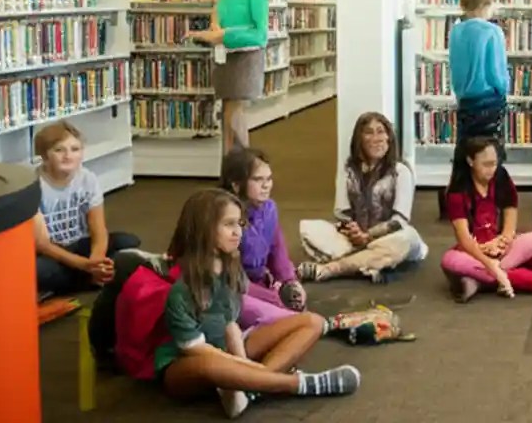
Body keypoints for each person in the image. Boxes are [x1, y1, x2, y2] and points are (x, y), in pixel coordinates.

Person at [156, 189, 360, 419]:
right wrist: (247, 367)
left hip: (231, 346)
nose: (238, 232)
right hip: (188, 362)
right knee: (209, 364)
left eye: (240, 223)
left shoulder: (232, 269)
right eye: (229, 224)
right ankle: (297, 384)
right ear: (204, 229)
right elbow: (194, 349)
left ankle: (251, 389)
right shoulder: (182, 291)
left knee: (312, 322)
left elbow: (238, 320)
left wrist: (287, 308)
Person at [440, 137, 532, 302]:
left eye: (494, 163)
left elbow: (509, 223)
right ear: (470, 161)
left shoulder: (501, 178)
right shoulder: (458, 191)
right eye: (485, 165)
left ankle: (479, 281)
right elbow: (464, 239)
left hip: (500, 249)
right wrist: (490, 264)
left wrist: (503, 241)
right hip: (472, 252)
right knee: (449, 259)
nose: (491, 169)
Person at [297, 112, 428, 283]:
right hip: (355, 240)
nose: (377, 138)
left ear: (389, 138)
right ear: (360, 140)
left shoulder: (401, 171)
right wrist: (354, 232)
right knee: (308, 228)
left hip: (389, 237)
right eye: (369, 132)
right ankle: (369, 263)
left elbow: (400, 221)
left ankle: (333, 268)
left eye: (381, 132)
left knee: (405, 240)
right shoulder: (348, 170)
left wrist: (369, 236)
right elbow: (342, 214)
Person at [33, 122, 141, 297]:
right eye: (59, 150)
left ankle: (82, 280)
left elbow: (98, 229)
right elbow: (43, 245)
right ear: (45, 155)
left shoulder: (88, 179)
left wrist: (96, 261)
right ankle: (90, 280)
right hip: (54, 253)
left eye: (75, 149)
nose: (68, 156)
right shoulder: (34, 186)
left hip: (81, 245)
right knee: (35, 269)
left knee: (128, 241)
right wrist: (84, 266)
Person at [187, 0, 269, 154]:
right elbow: (218, 10)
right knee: (227, 112)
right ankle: (230, 165)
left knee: (234, 114)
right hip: (226, 54)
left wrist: (225, 34)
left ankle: (241, 166)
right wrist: (215, 24)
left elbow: (260, 34)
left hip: (246, 57)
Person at [443, 0, 510, 217]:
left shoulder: (456, 32)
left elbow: (455, 67)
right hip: (489, 100)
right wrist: (504, 91)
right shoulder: (493, 32)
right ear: (486, 4)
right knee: (492, 153)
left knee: (465, 150)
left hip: (465, 101)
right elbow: (497, 72)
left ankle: (456, 203)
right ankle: (492, 202)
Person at [219, 148, 306, 328]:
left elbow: (278, 251)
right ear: (236, 185)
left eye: (269, 179)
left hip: (258, 284)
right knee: (288, 320)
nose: (266, 185)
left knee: (295, 308)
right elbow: (231, 278)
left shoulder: (269, 209)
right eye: (258, 180)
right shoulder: (224, 217)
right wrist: (274, 298)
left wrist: (292, 283)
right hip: (230, 290)